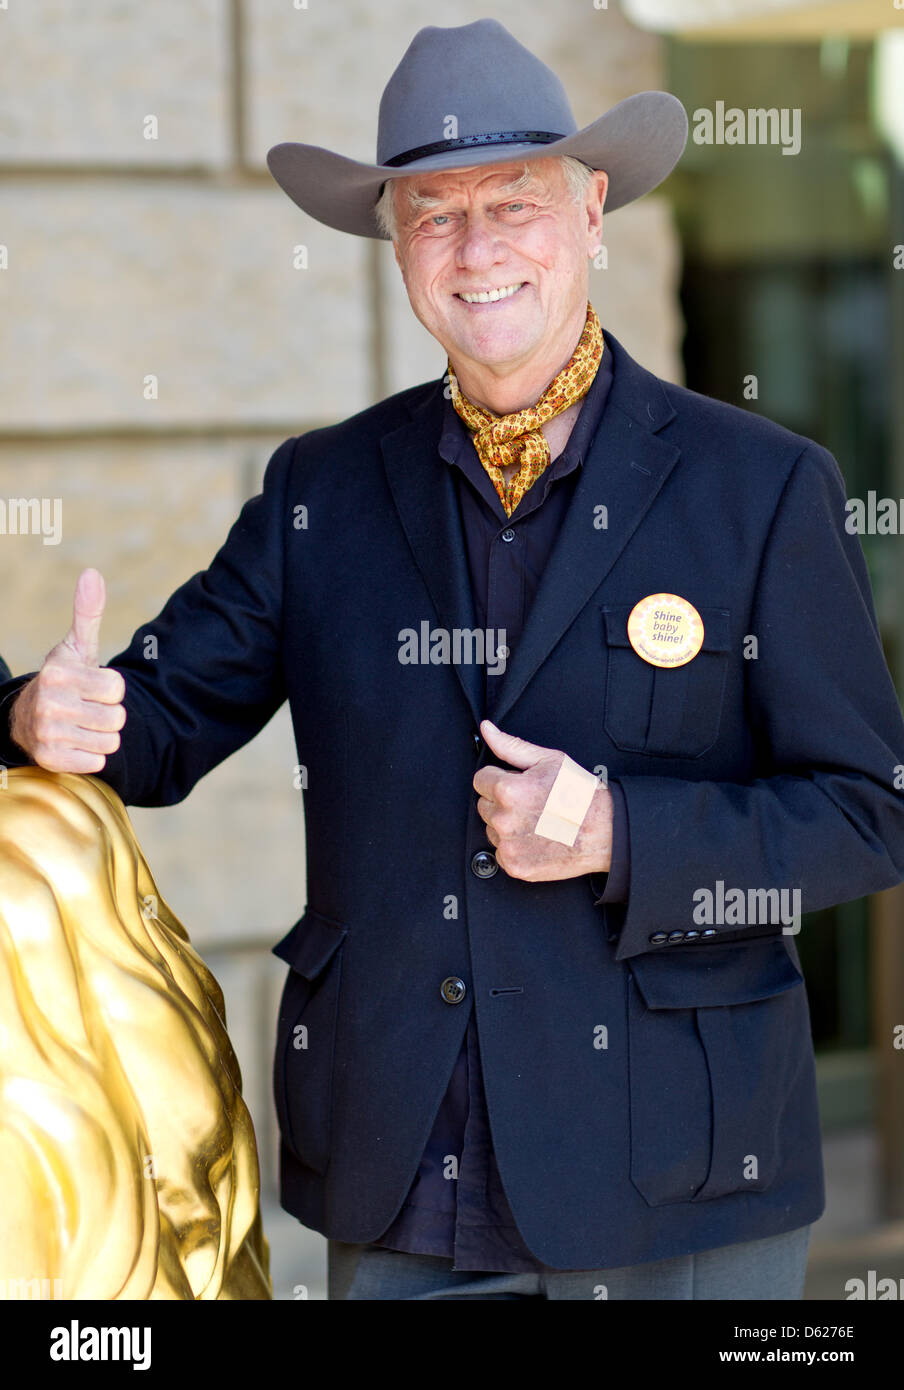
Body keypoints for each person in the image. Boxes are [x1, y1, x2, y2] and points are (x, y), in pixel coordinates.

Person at [2, 19, 903, 1301]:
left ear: (591, 212)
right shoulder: (320, 489)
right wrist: (52, 710)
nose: (476, 248)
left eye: (513, 200)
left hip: (680, 1190)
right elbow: (154, 725)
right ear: (396, 248)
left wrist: (619, 835)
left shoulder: (758, 488)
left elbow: (867, 811)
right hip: (406, 1181)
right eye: (432, 213)